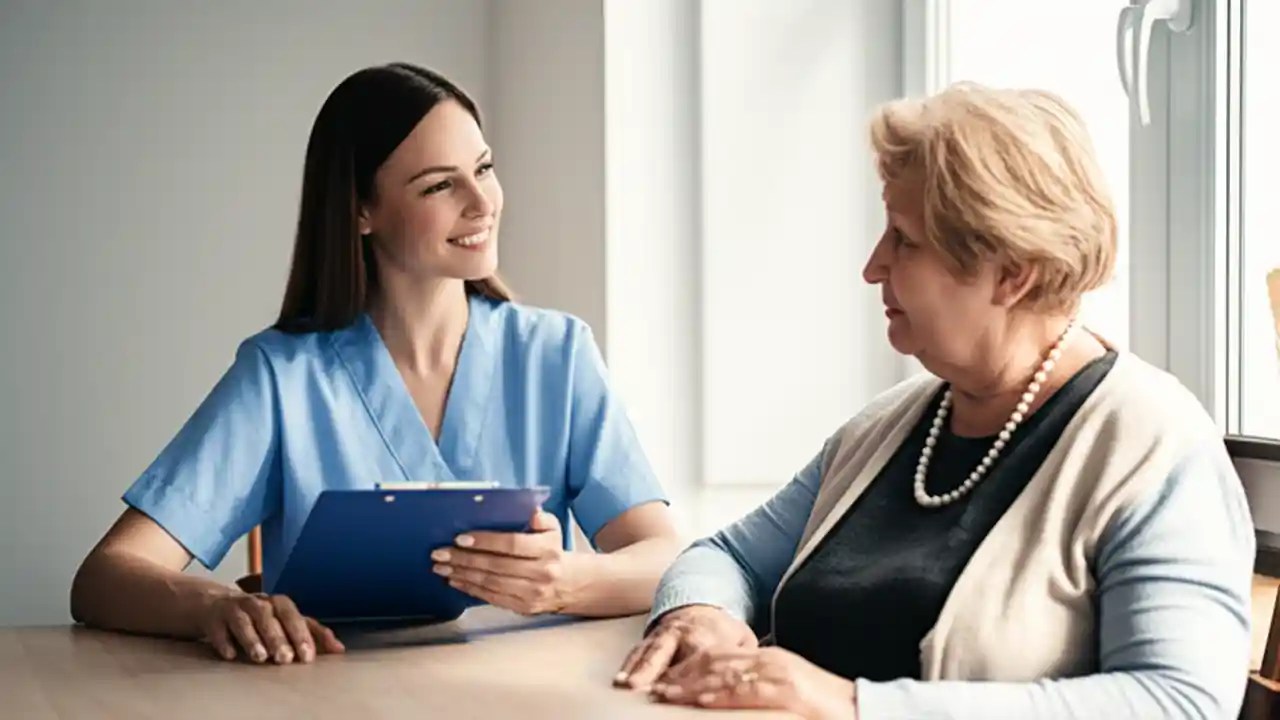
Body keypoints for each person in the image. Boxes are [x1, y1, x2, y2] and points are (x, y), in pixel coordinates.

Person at [615, 83, 1255, 719]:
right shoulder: (889, 426)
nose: (873, 265)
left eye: (904, 239)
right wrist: (697, 610)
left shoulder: (1154, 446)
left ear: (1010, 273)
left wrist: (851, 705)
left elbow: (1180, 702)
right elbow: (725, 559)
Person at [70, 62, 681, 665]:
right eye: (440, 185)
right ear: (362, 210)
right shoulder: (281, 377)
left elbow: (662, 557)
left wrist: (563, 580)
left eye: (484, 169)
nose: (481, 202)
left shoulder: (558, 355)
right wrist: (211, 606)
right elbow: (106, 576)